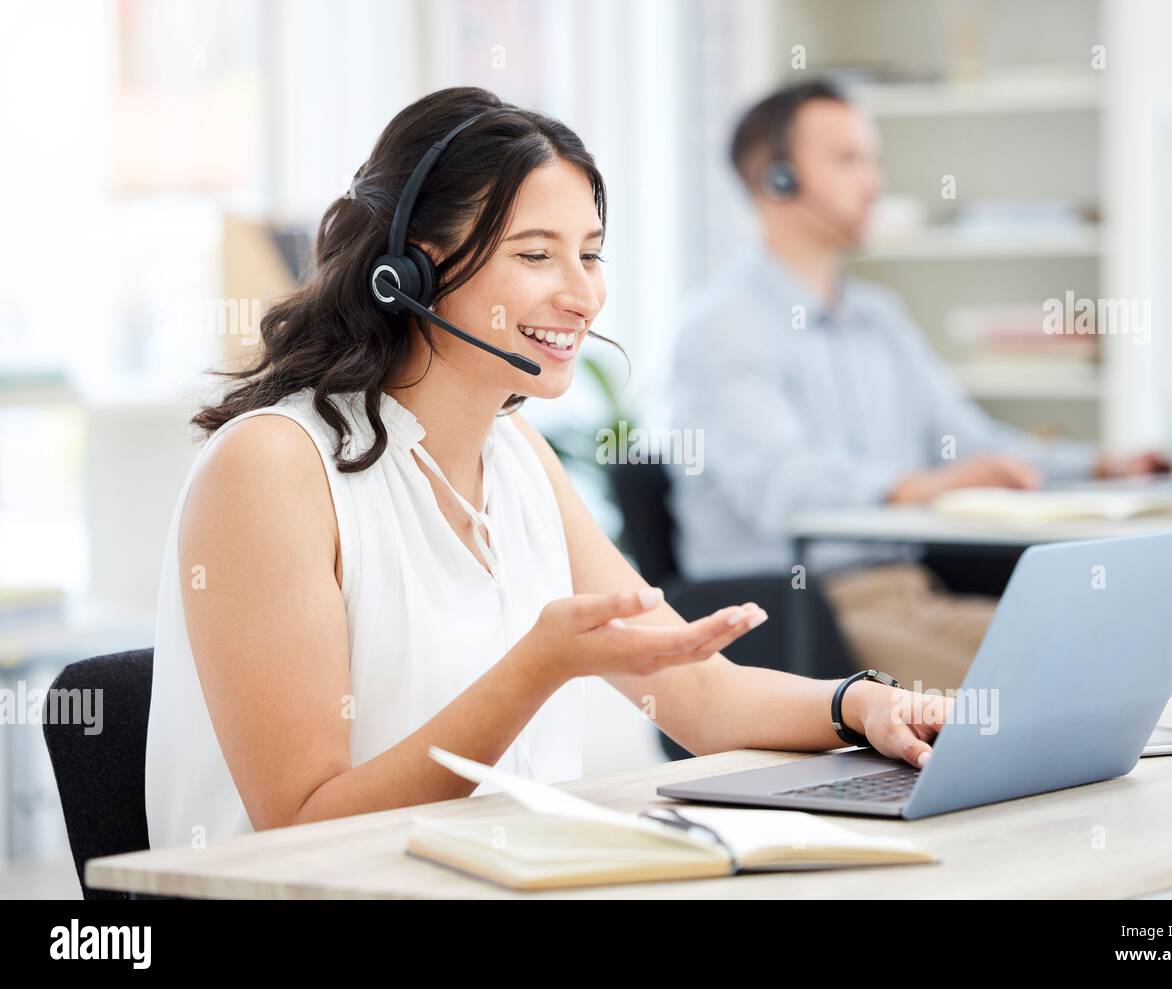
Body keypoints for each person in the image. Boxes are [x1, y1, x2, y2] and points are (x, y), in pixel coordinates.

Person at [144, 86, 951, 851]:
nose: (583, 295)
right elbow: (300, 824)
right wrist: (539, 667)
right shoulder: (272, 468)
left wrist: (865, 705)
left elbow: (704, 698)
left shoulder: (515, 454)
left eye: (591, 255)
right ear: (414, 272)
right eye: (537, 255)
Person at [669, 79, 1164, 693]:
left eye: (871, 160)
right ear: (777, 180)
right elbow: (779, 487)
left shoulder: (879, 318)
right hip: (804, 610)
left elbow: (973, 445)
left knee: (1110, 655)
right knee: (1049, 689)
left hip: (912, 594)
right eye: (848, 160)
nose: (874, 183)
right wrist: (916, 486)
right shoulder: (723, 327)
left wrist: (1105, 467)